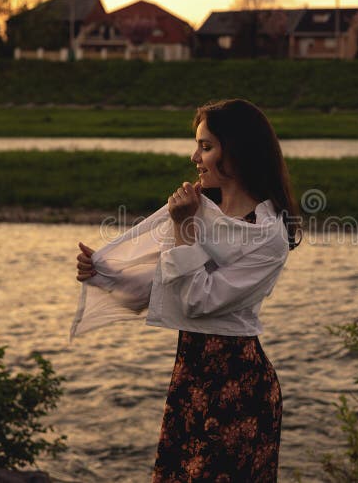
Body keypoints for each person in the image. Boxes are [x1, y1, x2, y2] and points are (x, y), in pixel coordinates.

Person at [75, 98, 301, 482]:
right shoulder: (201, 210)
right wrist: (105, 273)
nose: (195, 157)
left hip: (238, 383)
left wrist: (181, 230)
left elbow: (198, 300)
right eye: (197, 145)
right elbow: (162, 284)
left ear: (238, 151)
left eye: (206, 146)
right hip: (192, 376)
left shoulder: (267, 235)